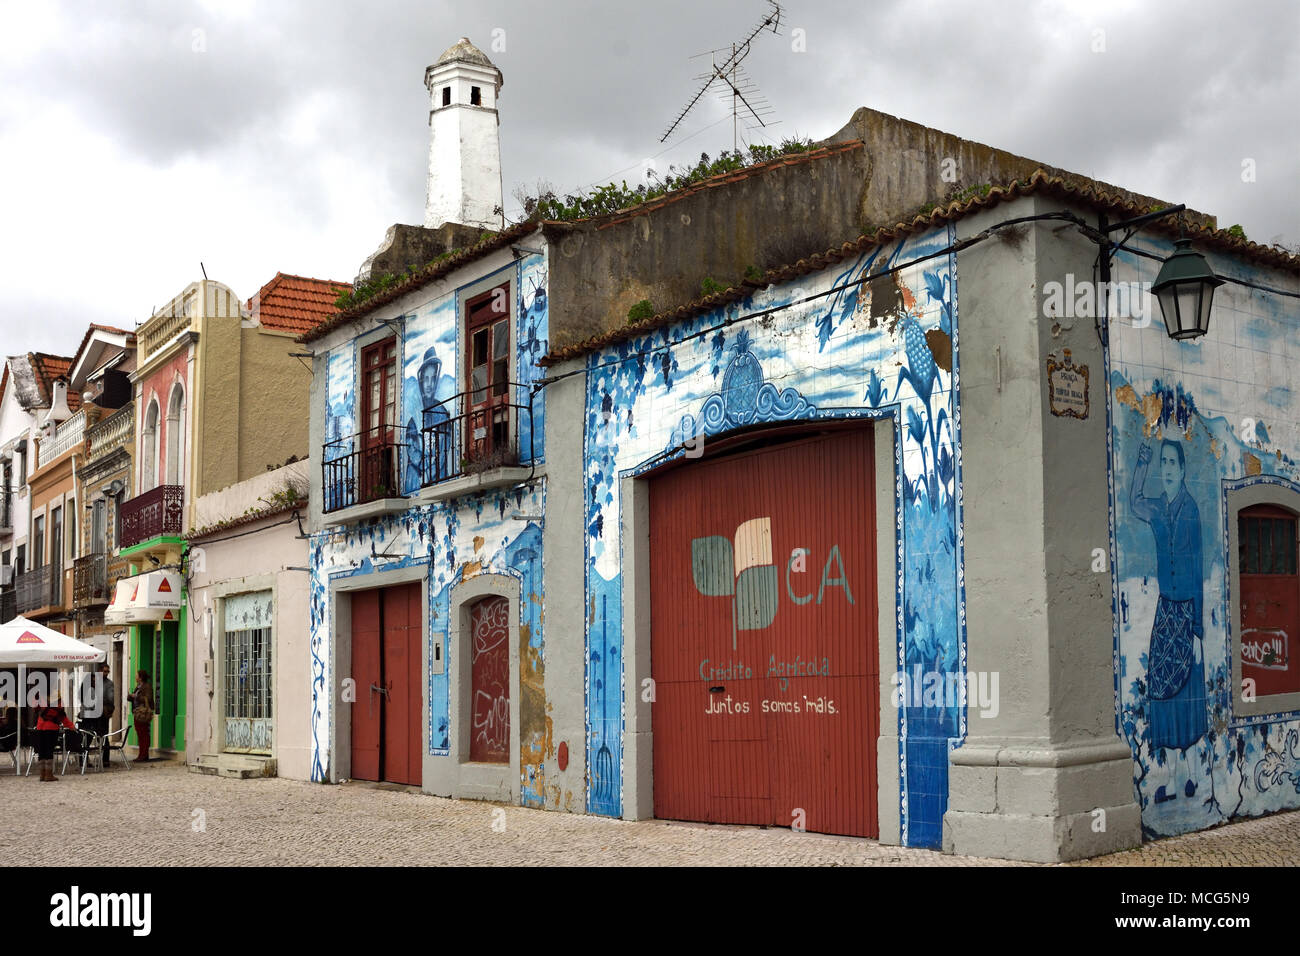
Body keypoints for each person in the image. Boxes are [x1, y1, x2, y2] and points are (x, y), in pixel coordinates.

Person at [1130, 439, 1208, 798]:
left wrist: (1196, 626)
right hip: (1164, 612)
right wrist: (1141, 464)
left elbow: (1196, 567)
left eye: (1172, 462)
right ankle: (1173, 780)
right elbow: (1133, 503)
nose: (1168, 468)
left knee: (1187, 692)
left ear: (1183, 468)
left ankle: (1191, 776)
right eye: (1163, 462)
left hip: (1184, 611)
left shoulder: (1191, 510)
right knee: (1163, 690)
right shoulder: (1159, 509)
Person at [33, 689, 76, 782]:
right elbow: (62, 716)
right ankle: (48, 775)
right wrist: (71, 726)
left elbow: (35, 709)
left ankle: (42, 774)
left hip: (40, 727)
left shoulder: (39, 697)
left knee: (41, 751)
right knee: (49, 750)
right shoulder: (57, 699)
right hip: (52, 728)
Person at [79, 663, 114, 766]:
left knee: (103, 737)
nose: (106, 674)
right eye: (104, 671)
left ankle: (105, 760)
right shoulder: (89, 681)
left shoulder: (109, 684)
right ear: (99, 671)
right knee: (87, 737)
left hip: (102, 715)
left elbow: (110, 698)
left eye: (108, 671)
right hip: (89, 715)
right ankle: (83, 759)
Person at [127, 670, 155, 763]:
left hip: (143, 713)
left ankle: (144, 754)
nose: (135, 677)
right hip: (137, 712)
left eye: (136, 675)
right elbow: (135, 698)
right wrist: (130, 696)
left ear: (140, 677)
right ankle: (141, 754)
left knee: (144, 734)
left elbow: (149, 698)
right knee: (140, 734)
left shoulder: (147, 686)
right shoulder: (138, 686)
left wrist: (136, 696)